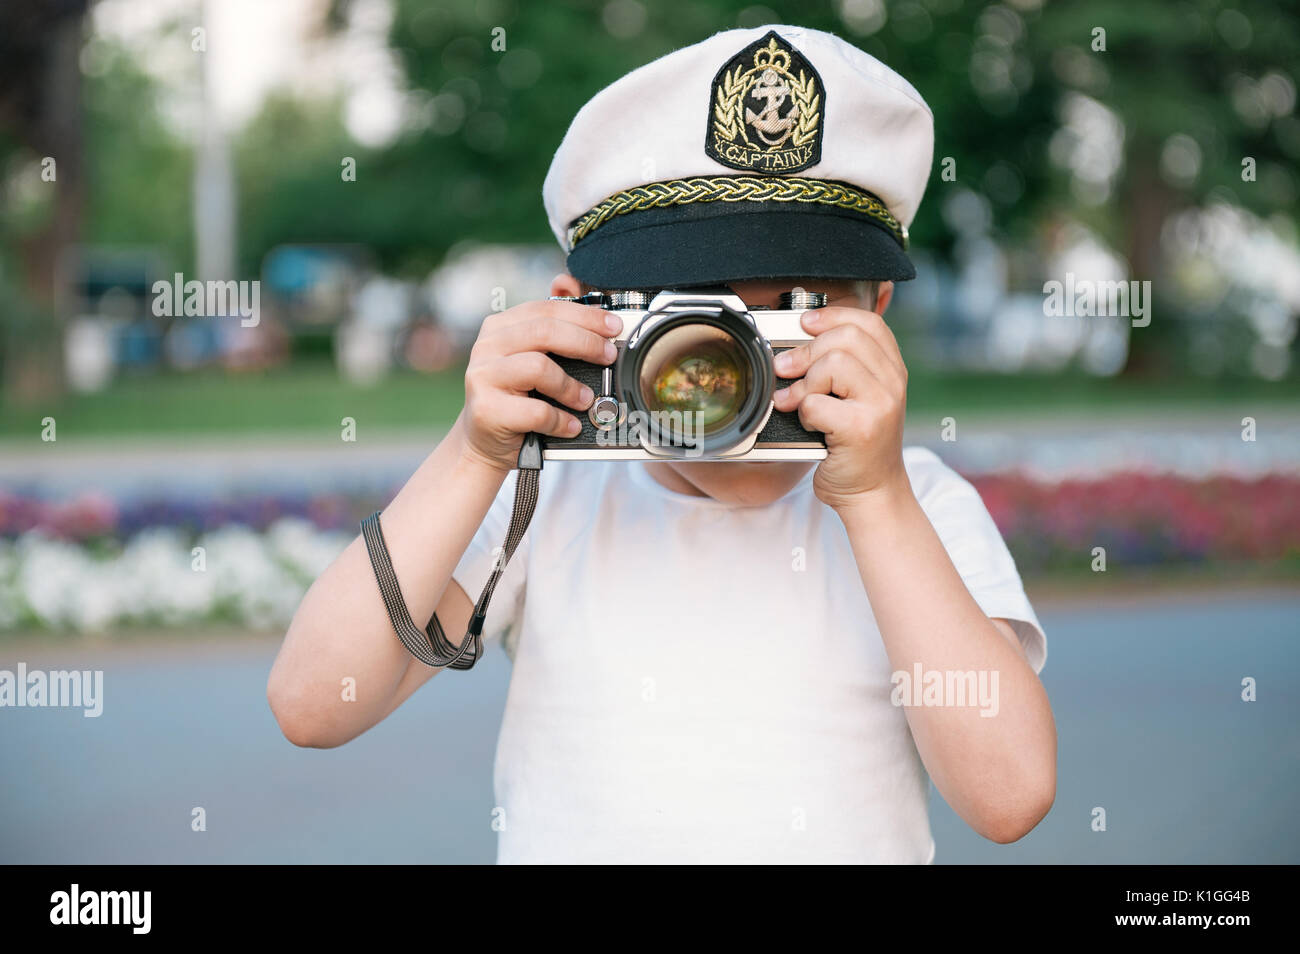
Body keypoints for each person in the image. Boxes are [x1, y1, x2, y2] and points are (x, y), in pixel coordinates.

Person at [268, 24, 1056, 864]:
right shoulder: (549, 494)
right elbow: (315, 705)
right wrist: (475, 452)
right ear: (584, 319)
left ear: (875, 323)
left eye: (798, 311)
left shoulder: (919, 507)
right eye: (700, 324)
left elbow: (1007, 796)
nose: (744, 367)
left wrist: (876, 498)